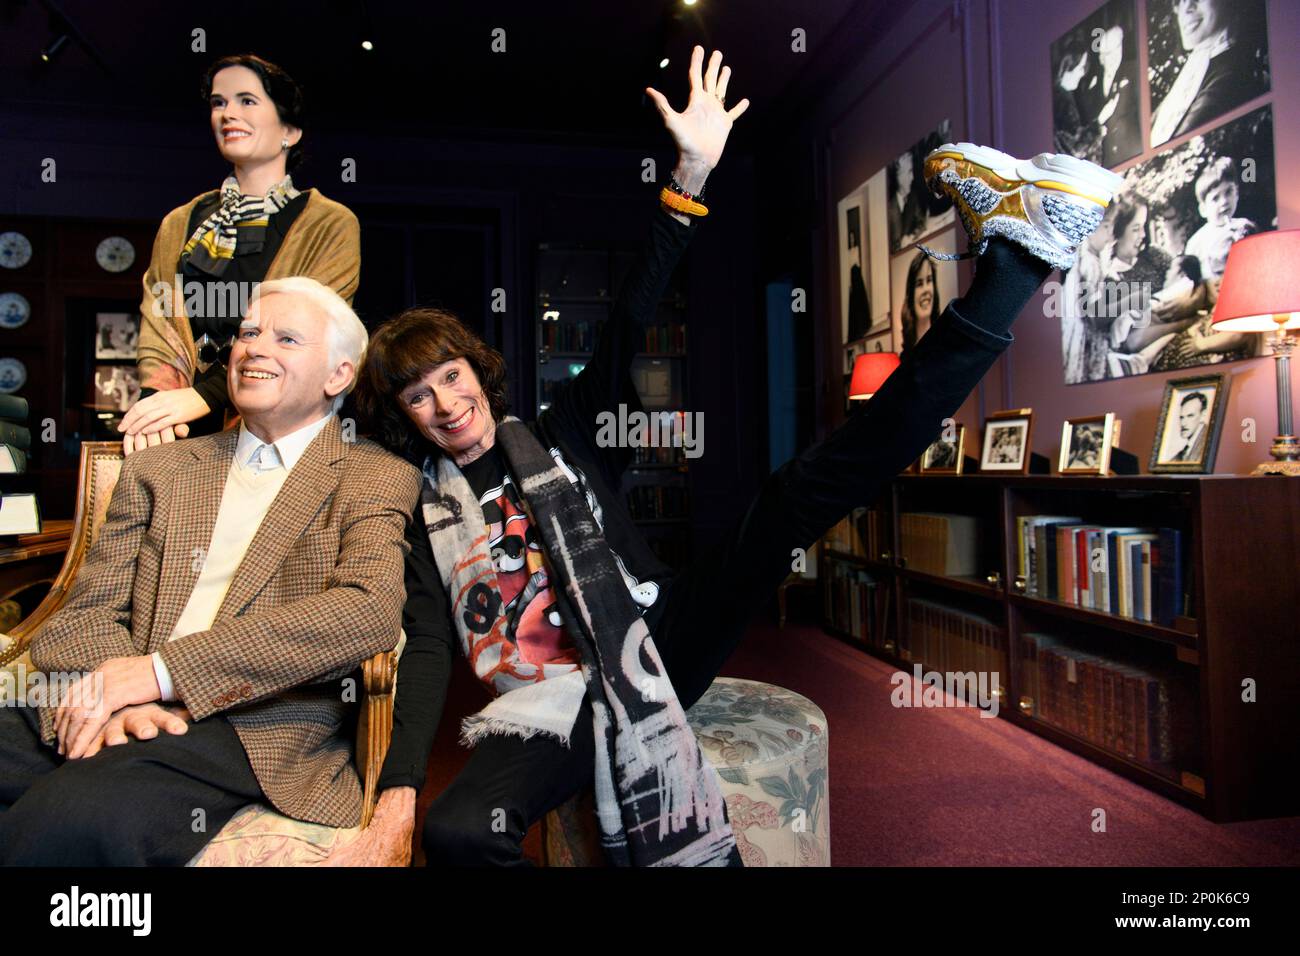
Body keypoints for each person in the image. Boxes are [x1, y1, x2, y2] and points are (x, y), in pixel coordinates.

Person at [337, 69, 1126, 866]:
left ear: (477, 369)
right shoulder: (416, 514)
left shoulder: (562, 432)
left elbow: (630, 316)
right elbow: (430, 647)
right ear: (400, 415)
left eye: (450, 376)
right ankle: (1024, 254)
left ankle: (1018, 266)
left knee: (793, 497)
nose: (443, 402)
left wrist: (691, 177)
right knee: (458, 830)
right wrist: (400, 786)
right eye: (415, 396)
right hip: (546, 704)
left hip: (658, 639)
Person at [0, 278, 420, 865]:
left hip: (252, 721)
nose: (254, 348)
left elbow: (363, 614)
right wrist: (122, 695)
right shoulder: (162, 469)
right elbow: (85, 613)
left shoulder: (371, 475)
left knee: (68, 820)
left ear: (338, 377)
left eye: (286, 338)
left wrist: (159, 675)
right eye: (248, 333)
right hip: (104, 693)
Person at [121, 54, 361, 456]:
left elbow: (309, 338)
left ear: (290, 129)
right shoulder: (180, 223)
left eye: (247, 101)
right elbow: (159, 324)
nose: (228, 113)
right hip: (182, 425)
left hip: (278, 430)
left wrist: (205, 397)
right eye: (219, 102)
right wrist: (156, 407)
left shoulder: (329, 223)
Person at [1150, 0, 1270, 148]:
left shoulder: (1229, 72)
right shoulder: (1199, 60)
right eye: (1179, 1)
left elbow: (1178, 143)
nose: (1185, 8)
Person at [1183, 156, 1257, 280]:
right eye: (1215, 198)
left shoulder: (1246, 227)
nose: (1224, 201)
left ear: (1237, 193)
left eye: (1229, 192)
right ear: (1203, 209)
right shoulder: (1196, 243)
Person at [899, 250, 940, 352]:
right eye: (919, 284)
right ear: (911, 295)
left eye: (929, 280)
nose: (926, 289)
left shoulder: (945, 344)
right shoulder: (905, 358)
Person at [1169, 391, 1210, 462]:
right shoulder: (1182, 454)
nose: (1183, 423)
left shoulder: (1208, 443)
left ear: (1203, 415)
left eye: (1190, 416)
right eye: (1182, 417)